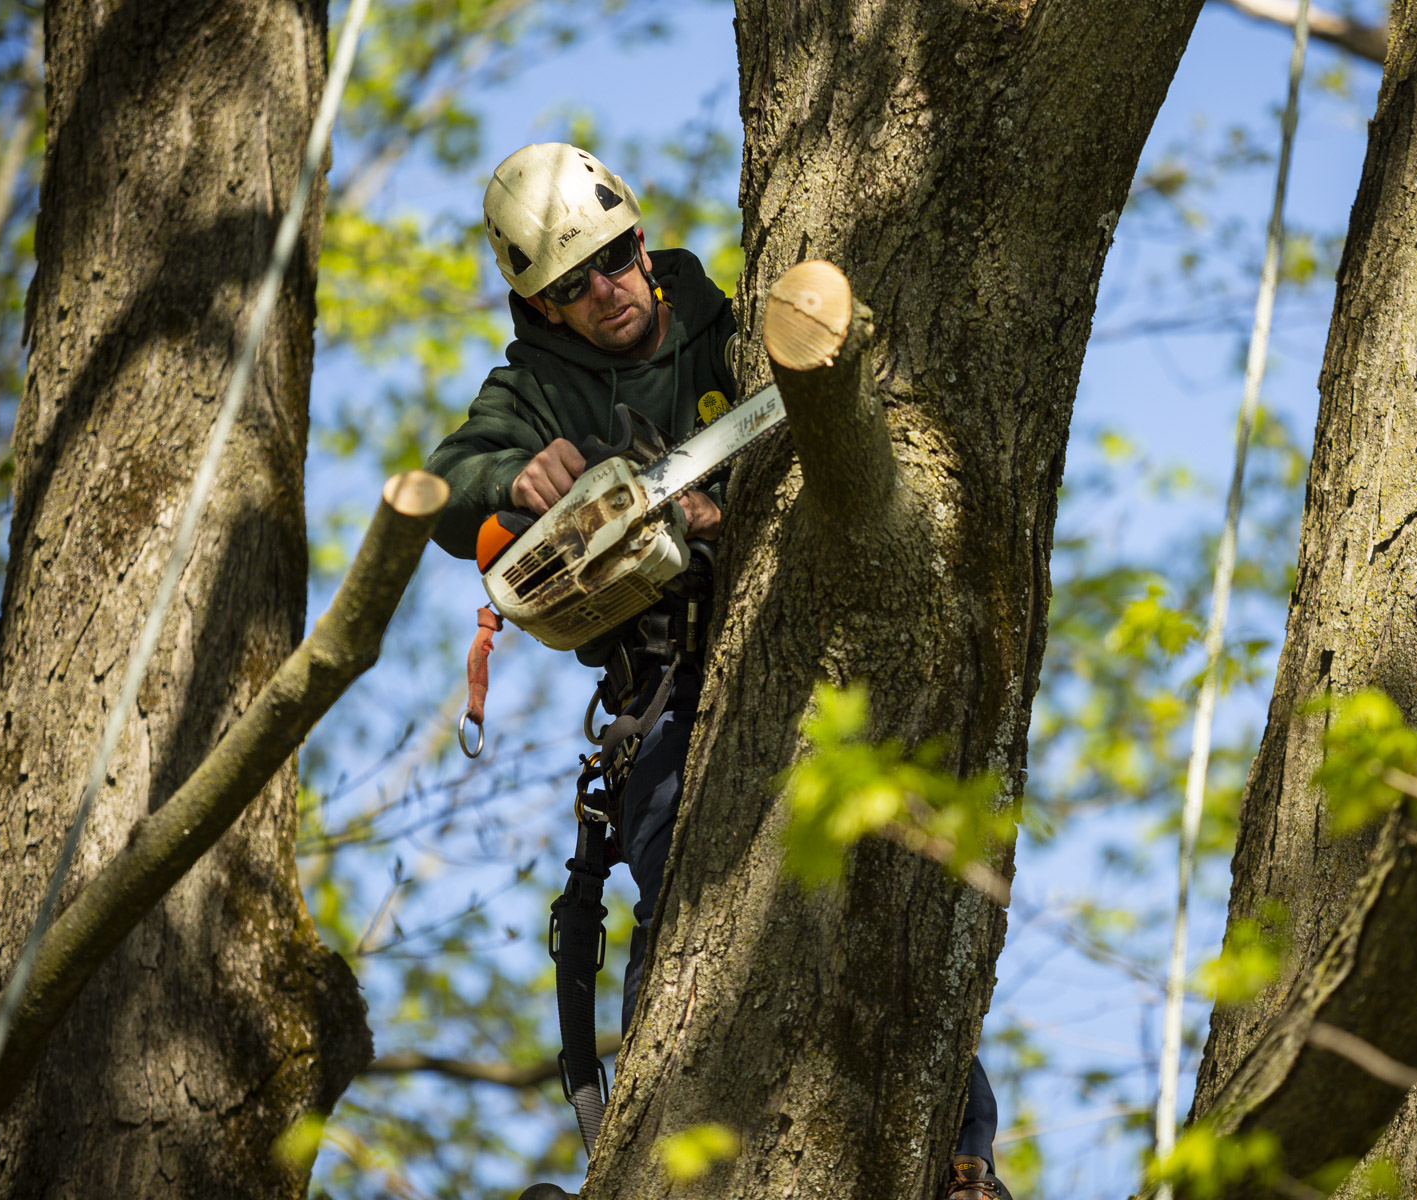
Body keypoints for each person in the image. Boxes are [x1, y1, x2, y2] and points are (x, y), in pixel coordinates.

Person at [427, 143, 1008, 1200]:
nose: (604, 291)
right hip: (665, 692)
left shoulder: (732, 330)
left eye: (613, 259)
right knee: (691, 900)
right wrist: (510, 473)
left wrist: (721, 517)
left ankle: (960, 1152)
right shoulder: (535, 389)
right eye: (571, 285)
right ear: (540, 302)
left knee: (894, 878)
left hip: (814, 652)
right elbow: (447, 483)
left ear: (640, 238)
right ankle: (656, 1154)